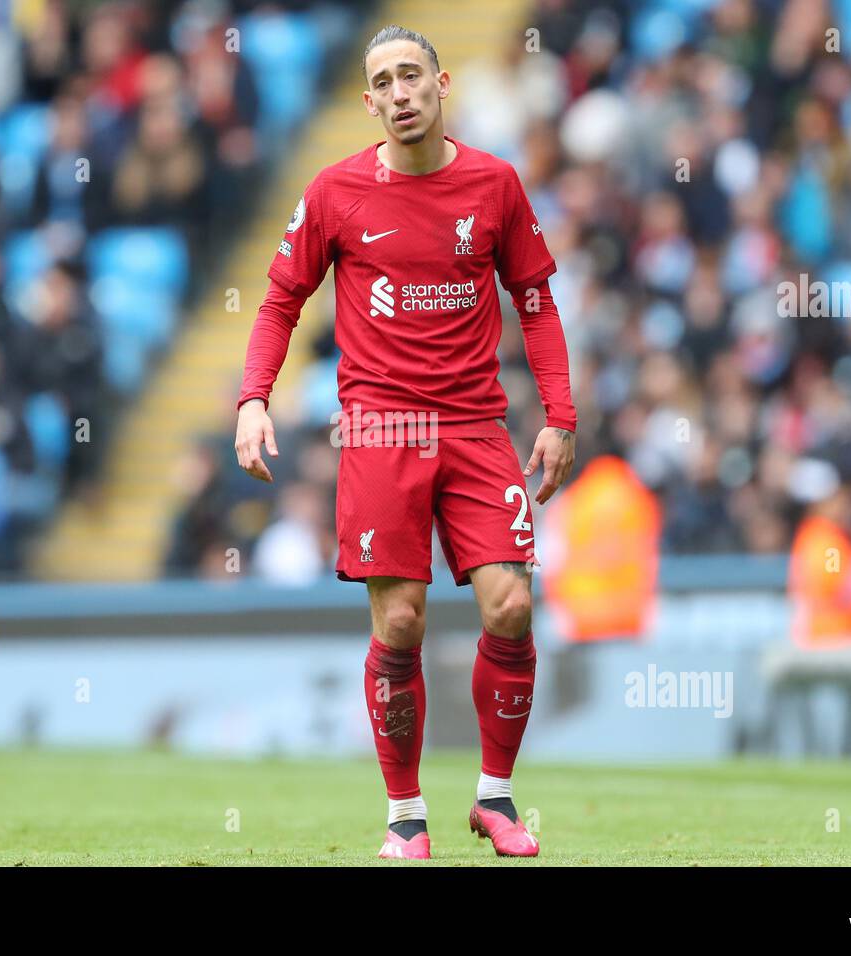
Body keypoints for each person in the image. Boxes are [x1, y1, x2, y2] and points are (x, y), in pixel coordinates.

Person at [234, 25, 576, 859]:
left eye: (411, 75)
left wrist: (560, 416)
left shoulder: (494, 185)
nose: (399, 92)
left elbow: (533, 301)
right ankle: (405, 816)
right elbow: (281, 299)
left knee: (511, 603)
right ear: (368, 100)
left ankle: (494, 800)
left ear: (441, 83)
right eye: (383, 80)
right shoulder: (335, 192)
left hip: (474, 427)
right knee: (402, 624)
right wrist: (253, 399)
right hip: (383, 430)